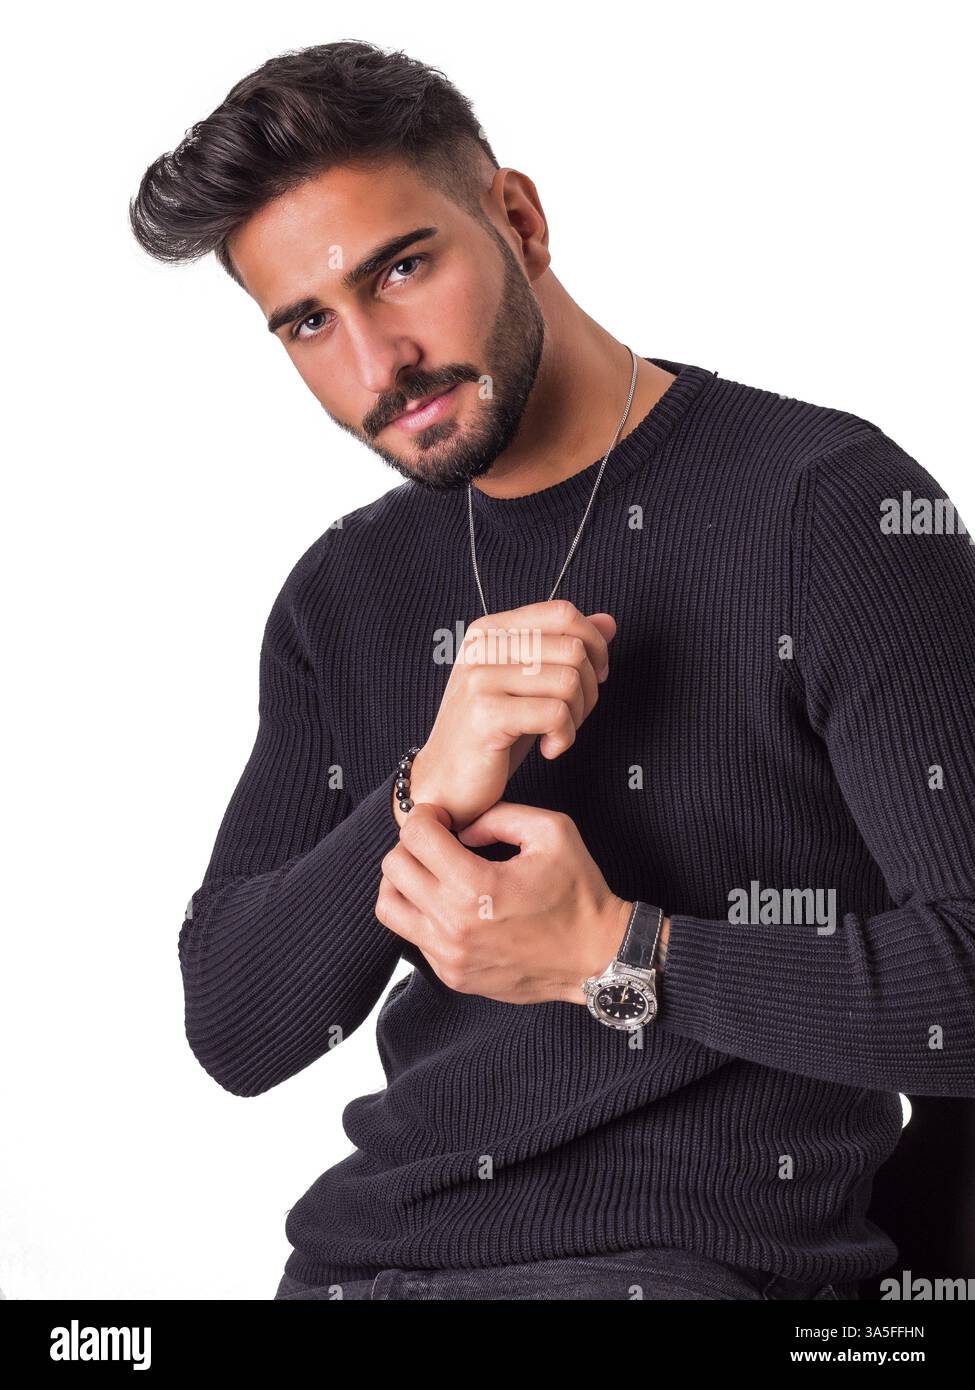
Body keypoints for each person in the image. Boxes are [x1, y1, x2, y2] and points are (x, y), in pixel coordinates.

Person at [130, 39, 975, 1302]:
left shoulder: (827, 509)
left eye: (401, 269)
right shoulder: (342, 593)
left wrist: (619, 956)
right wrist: (428, 783)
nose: (376, 365)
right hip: (362, 1267)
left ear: (516, 218)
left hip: (690, 1267)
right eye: (309, 321)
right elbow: (238, 1030)